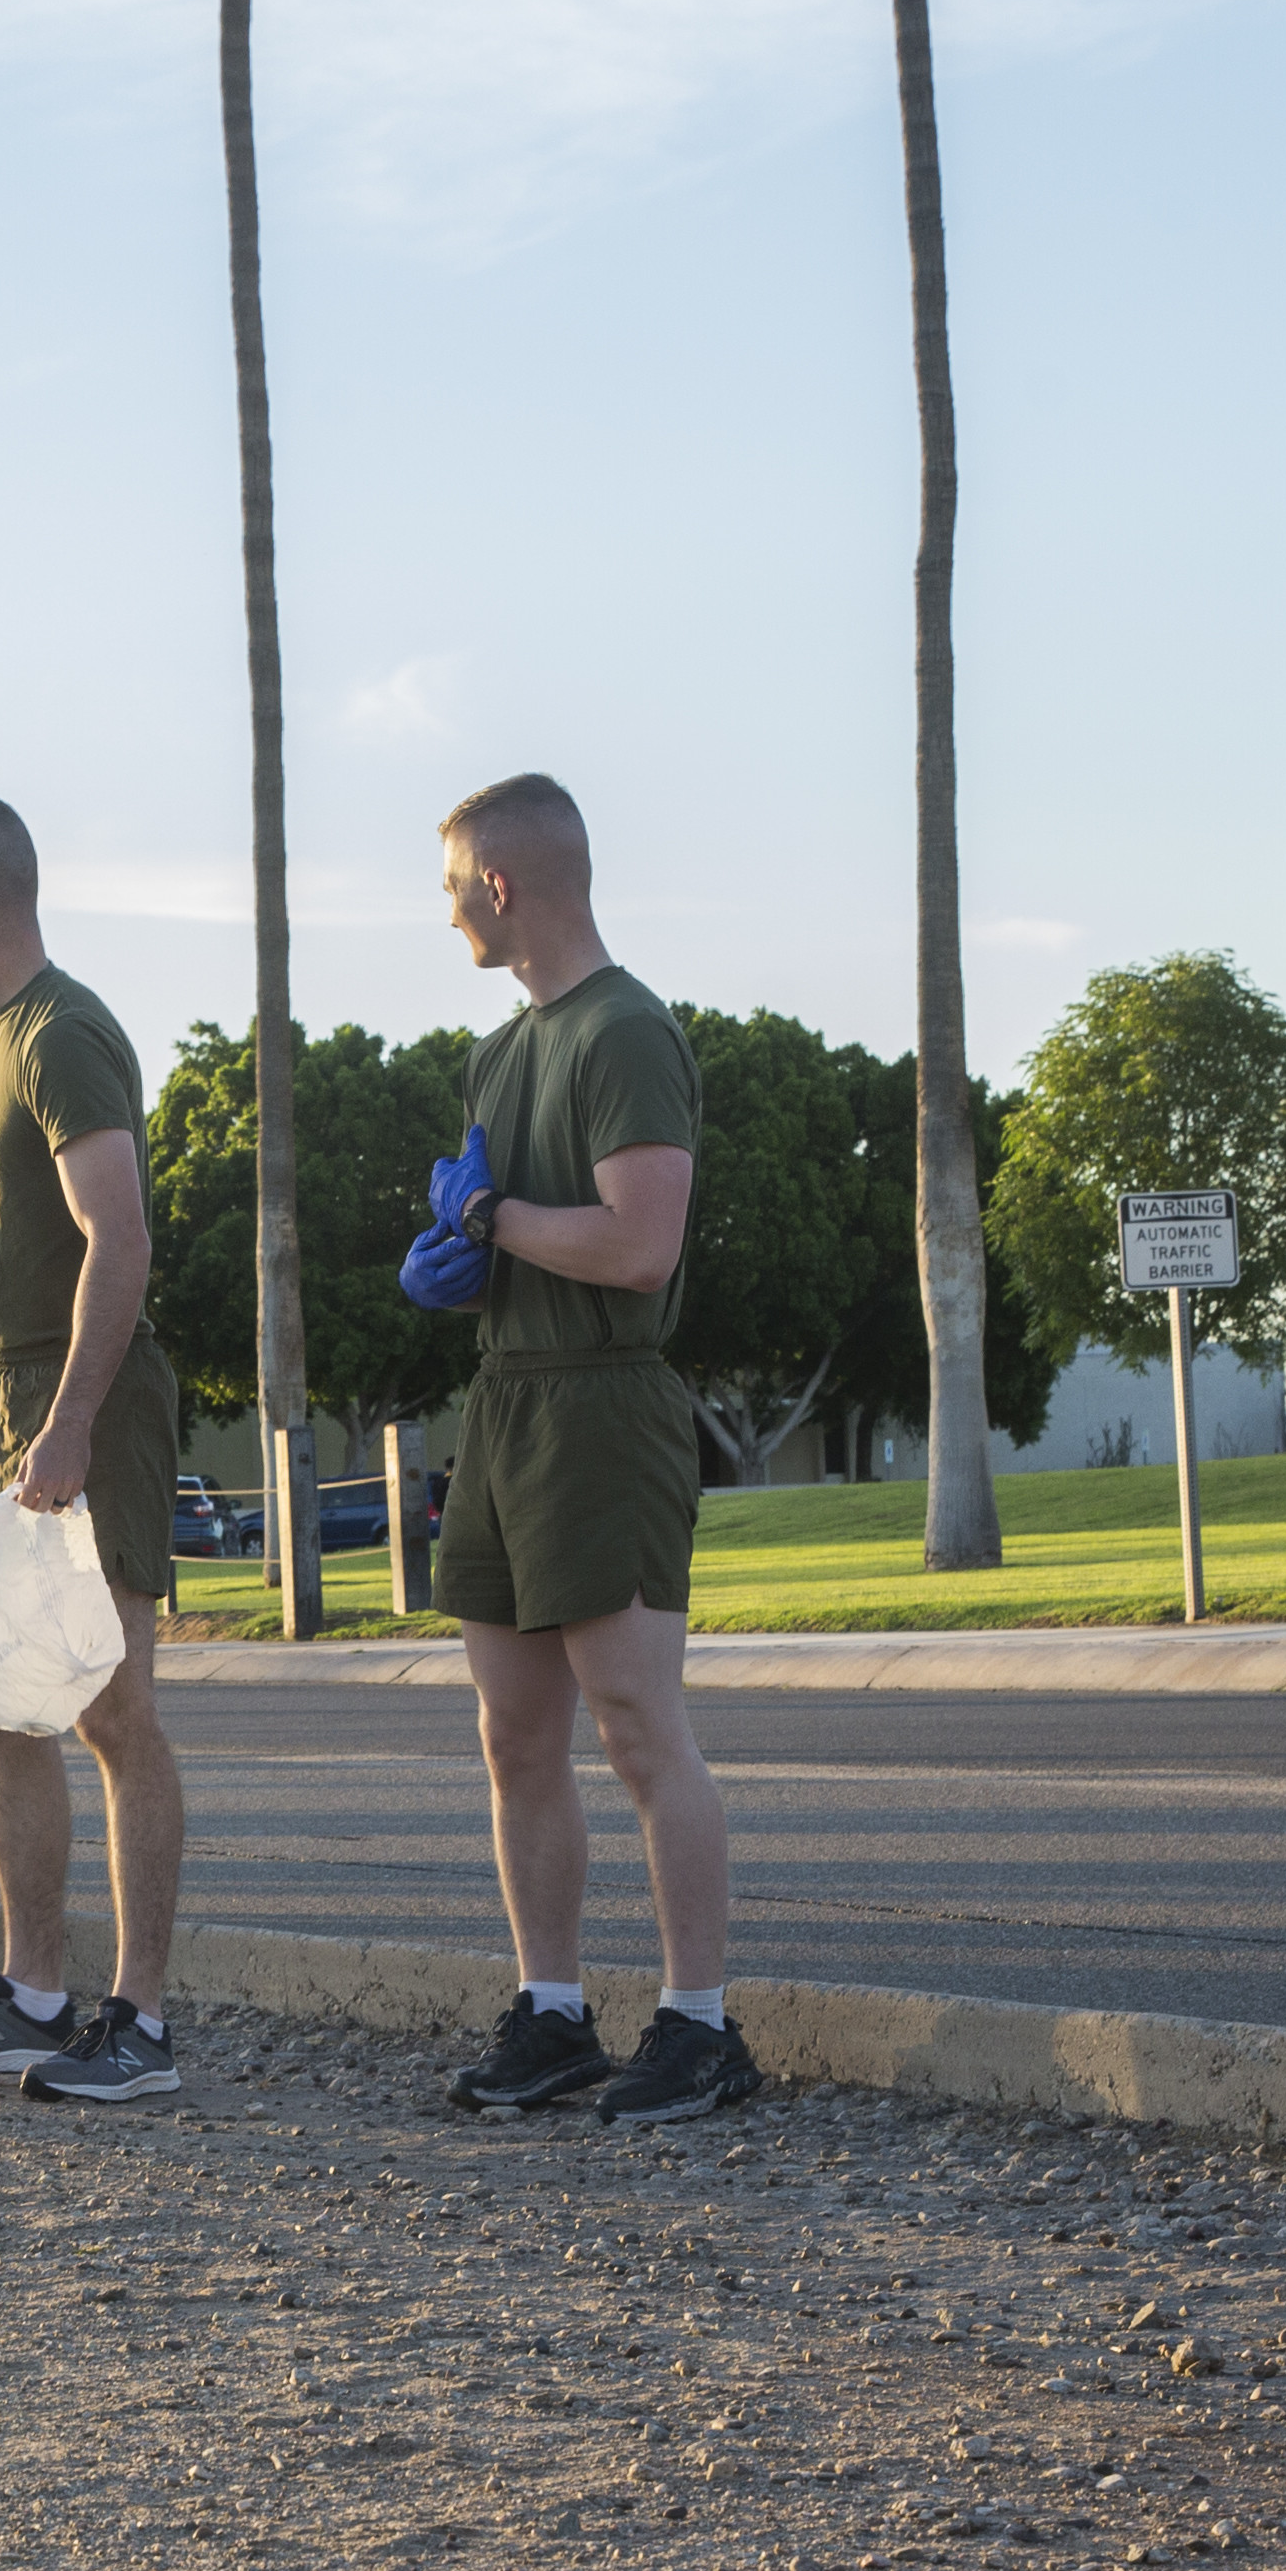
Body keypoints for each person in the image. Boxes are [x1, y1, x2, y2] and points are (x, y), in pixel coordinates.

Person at [405, 773, 750, 2128]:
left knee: (634, 1725)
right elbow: (516, 1230)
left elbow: (635, 1244)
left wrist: (490, 1218)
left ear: (499, 883)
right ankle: (551, 2015)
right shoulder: (498, 1054)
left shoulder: (625, 1030)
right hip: (505, 1402)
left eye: (449, 889)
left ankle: (700, 2025)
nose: (445, 915)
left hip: (605, 1406)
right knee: (512, 1734)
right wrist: (456, 1261)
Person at [0, 794, 193, 2106]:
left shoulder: (64, 1032)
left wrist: (64, 1421)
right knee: (4, 1704)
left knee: (110, 1709)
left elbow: (117, 1239)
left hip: (84, 1403)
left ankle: (142, 2023)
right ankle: (32, 1994)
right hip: (5, 1393)